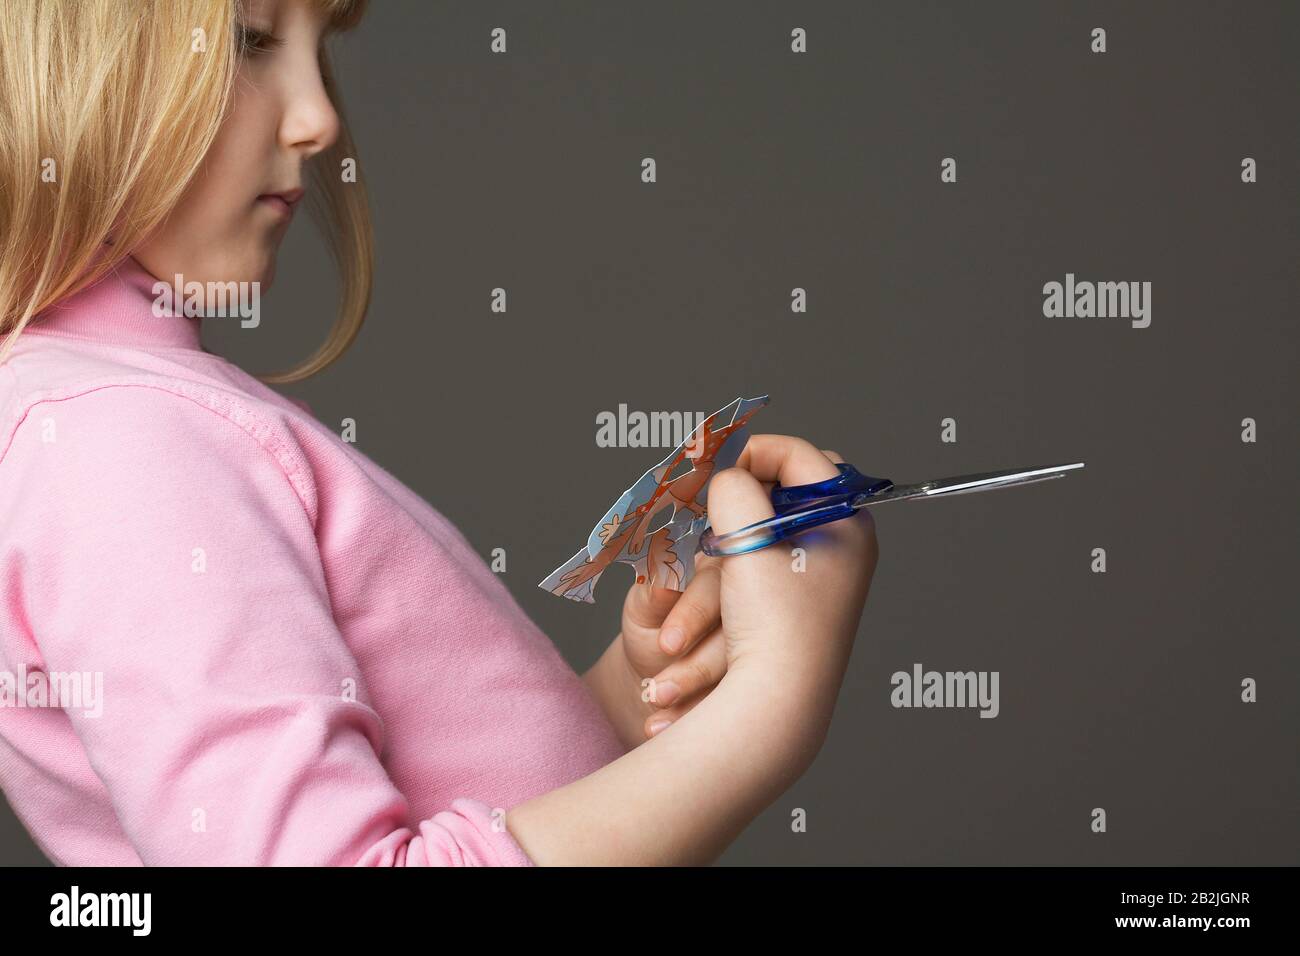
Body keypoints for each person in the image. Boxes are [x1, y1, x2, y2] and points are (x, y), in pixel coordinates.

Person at [0, 0, 878, 866]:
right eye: (250, 40)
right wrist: (770, 708)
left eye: (319, 48)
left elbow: (474, 813)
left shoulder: (125, 417)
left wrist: (631, 700)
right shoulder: (121, 441)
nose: (319, 118)